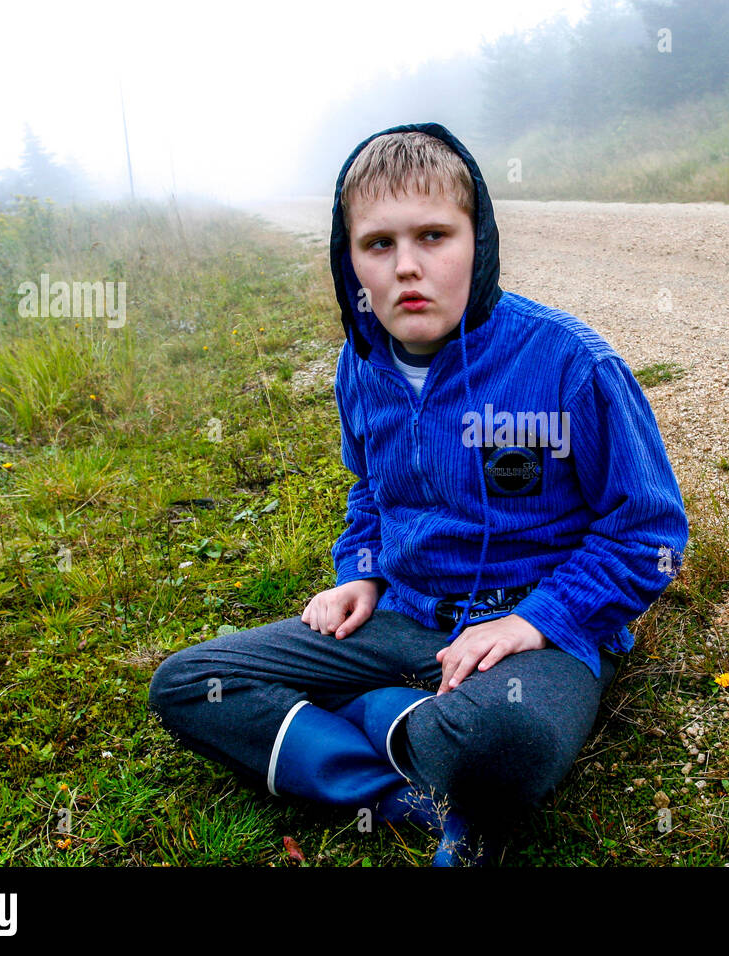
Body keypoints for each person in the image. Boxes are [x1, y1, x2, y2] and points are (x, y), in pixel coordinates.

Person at [147, 122, 688, 866]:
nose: (408, 268)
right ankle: (413, 790)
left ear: (480, 241)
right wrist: (361, 570)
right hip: (404, 619)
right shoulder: (359, 365)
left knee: (505, 738)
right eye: (379, 245)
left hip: (536, 638)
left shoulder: (571, 364)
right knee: (190, 682)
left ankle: (374, 717)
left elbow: (650, 535)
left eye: (434, 236)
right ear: (351, 262)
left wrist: (537, 621)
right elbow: (369, 490)